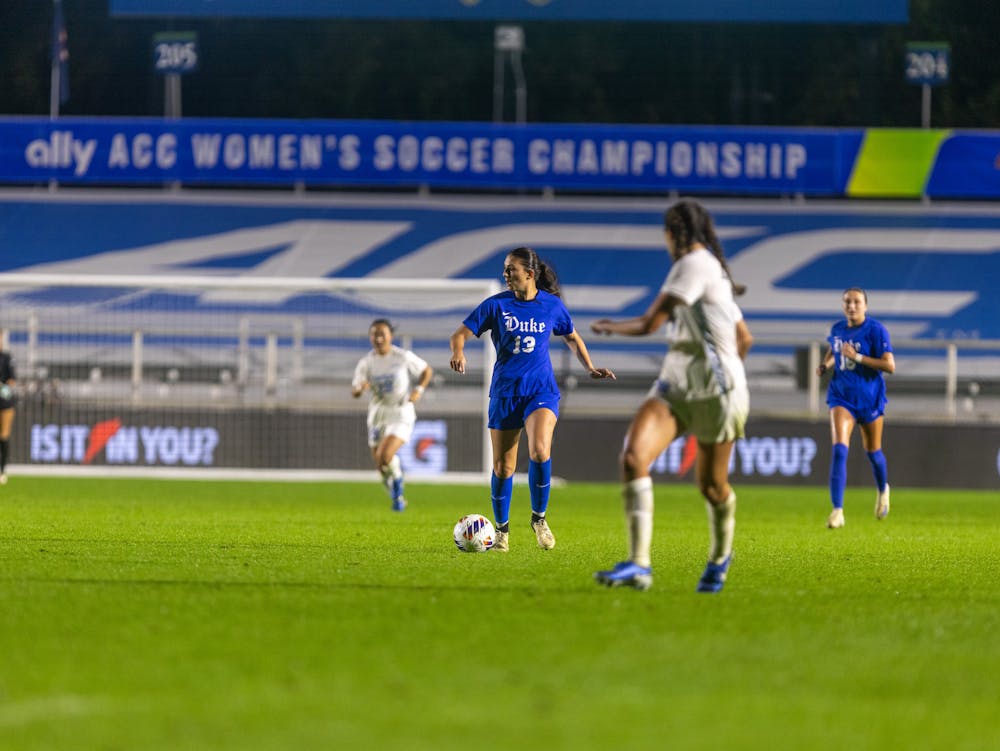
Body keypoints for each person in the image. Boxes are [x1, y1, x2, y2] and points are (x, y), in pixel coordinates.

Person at [590, 199, 752, 593]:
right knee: (633, 457)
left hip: (717, 392)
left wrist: (608, 326)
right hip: (677, 386)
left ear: (673, 233)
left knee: (712, 487)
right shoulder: (711, 269)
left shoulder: (694, 264)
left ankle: (719, 558)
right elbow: (745, 338)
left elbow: (649, 324)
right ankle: (639, 565)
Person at [449, 246, 616, 552]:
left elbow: (572, 337)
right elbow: (459, 334)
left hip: (541, 391)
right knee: (503, 467)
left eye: (510, 269)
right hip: (505, 392)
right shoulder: (495, 305)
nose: (505, 274)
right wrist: (458, 351)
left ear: (529, 273)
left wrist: (590, 367)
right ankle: (501, 532)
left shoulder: (551, 305)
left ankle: (539, 519)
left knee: (539, 450)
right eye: (504, 269)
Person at [816, 287, 895, 529]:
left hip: (869, 398)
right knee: (840, 450)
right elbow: (834, 347)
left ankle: (883, 490)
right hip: (841, 397)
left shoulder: (876, 330)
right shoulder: (837, 328)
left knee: (873, 453)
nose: (851, 306)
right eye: (847, 302)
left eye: (856, 302)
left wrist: (858, 358)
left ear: (865, 306)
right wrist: (826, 363)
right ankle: (837, 511)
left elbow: (889, 366)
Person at [352, 318, 433, 512]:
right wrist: (360, 389)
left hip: (400, 411)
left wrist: (418, 390)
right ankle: (397, 489)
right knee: (380, 465)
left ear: (390, 336)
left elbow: (426, 370)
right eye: (374, 334)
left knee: (385, 455)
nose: (378, 338)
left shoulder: (402, 357)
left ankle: (397, 491)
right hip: (378, 414)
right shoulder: (366, 362)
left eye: (382, 334)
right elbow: (354, 391)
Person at [0, 339, 15, 485]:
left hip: (5, 401)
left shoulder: (6, 357)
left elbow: (12, 380)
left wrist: (3, 387)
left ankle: (2, 470)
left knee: (4, 436)